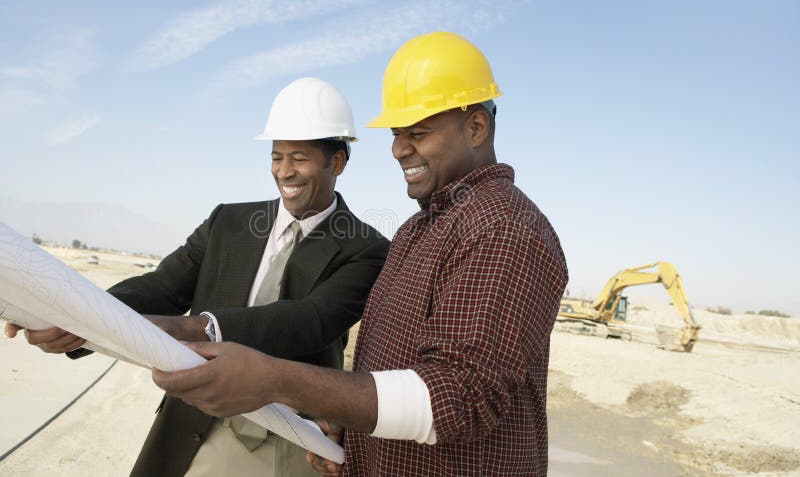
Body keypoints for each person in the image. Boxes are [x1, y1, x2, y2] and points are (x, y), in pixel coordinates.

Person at [149, 32, 568, 476]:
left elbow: (460, 397)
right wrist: (349, 426)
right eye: (396, 133)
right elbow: (393, 376)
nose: (398, 148)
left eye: (418, 133)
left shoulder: (503, 227)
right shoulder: (418, 230)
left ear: (476, 128)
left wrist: (271, 377)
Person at [5, 77, 389, 477]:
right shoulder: (228, 221)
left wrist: (199, 327)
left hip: (290, 443)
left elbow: (308, 321)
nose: (285, 171)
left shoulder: (366, 248)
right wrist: (75, 314)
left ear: (338, 162)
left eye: (300, 157)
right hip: (194, 429)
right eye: (277, 157)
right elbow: (161, 287)